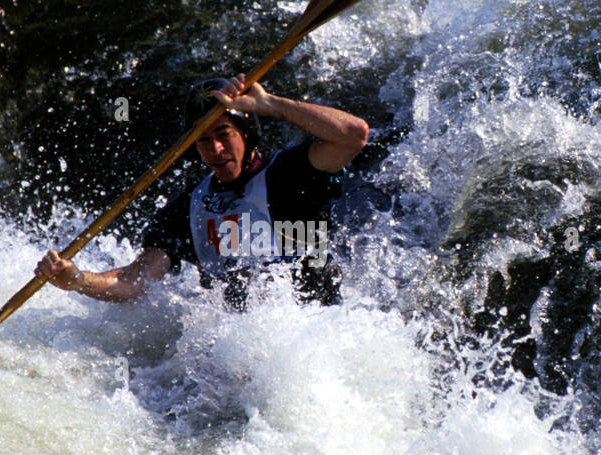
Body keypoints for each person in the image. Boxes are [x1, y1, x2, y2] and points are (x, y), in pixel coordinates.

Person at [34, 73, 369, 307]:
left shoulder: (291, 174)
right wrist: (77, 280)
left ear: (247, 134)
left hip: (319, 333)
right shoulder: (188, 208)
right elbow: (134, 280)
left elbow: (354, 135)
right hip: (240, 349)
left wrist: (270, 105)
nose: (216, 150)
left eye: (224, 135)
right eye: (204, 140)